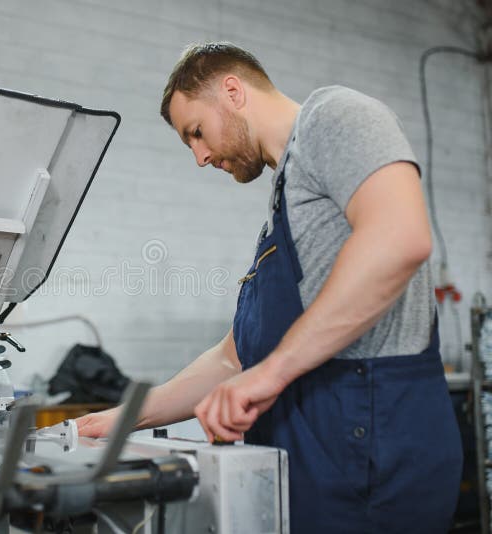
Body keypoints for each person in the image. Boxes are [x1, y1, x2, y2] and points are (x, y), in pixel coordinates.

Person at [75, 42, 462, 533]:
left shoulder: (335, 115)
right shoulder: (280, 214)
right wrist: (125, 418)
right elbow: (232, 360)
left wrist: (271, 373)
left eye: (196, 132)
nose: (200, 156)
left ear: (232, 91)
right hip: (312, 464)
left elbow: (400, 237)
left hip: (374, 454)